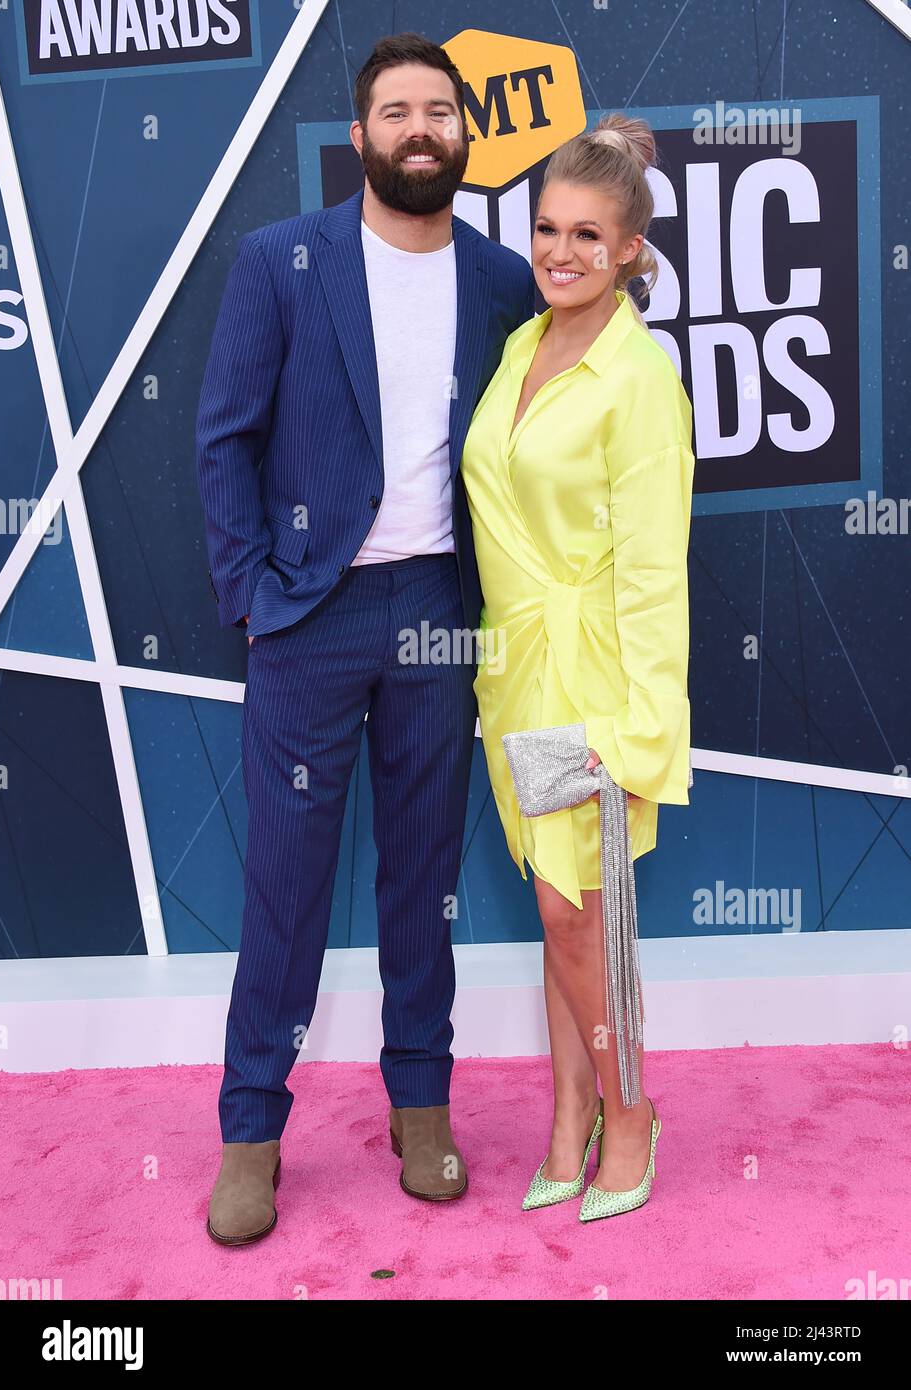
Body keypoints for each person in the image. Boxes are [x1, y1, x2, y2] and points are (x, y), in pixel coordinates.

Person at [195, 32, 535, 1244]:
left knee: (422, 879)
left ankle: (422, 1104)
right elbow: (223, 438)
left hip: (439, 618)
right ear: (361, 137)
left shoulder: (500, 280)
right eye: (395, 111)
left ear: (462, 135)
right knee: (283, 889)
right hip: (308, 618)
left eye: (437, 111)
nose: (418, 129)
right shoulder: (278, 262)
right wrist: (254, 597)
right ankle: (249, 1131)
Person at [460, 114, 695, 1223]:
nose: (560, 252)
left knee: (574, 914)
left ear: (632, 249)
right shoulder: (524, 343)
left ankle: (632, 1108)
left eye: (588, 237)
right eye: (547, 228)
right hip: (515, 672)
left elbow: (654, 571)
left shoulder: (639, 376)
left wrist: (646, 728)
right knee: (557, 911)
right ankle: (569, 1115)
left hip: (595, 679)